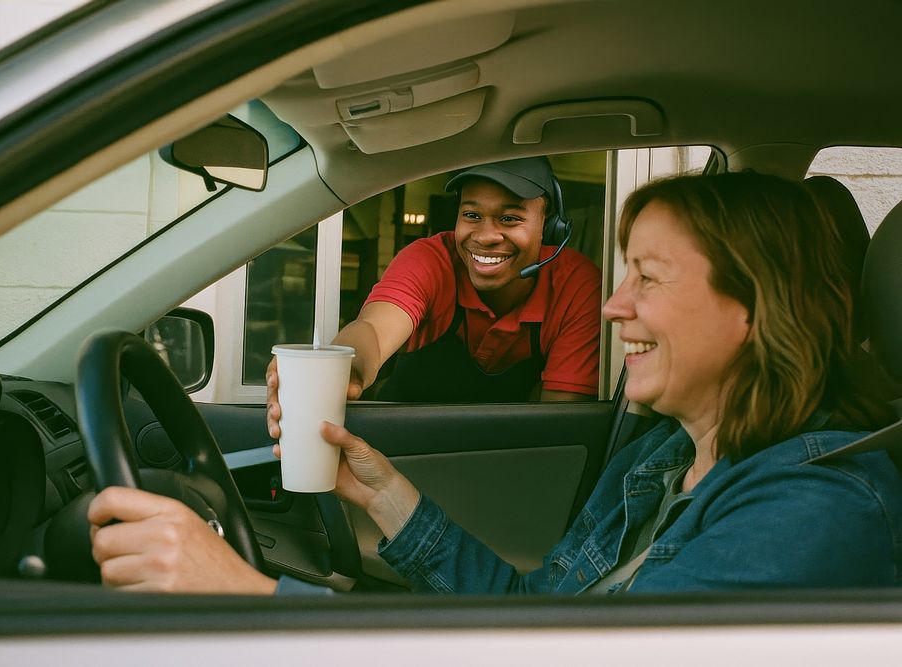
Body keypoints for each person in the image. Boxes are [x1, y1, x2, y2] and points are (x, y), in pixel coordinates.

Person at [88, 170, 902, 594]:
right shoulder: (658, 461)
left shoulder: (815, 507)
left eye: (648, 278)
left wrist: (249, 592)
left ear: (753, 310)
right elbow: (542, 611)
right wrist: (383, 494)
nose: (616, 305)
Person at [276, 157, 602, 403]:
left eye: (509, 218)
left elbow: (562, 424)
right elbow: (374, 330)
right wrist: (339, 371)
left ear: (549, 225)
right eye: (472, 215)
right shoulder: (429, 259)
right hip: (398, 454)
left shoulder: (576, 284)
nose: (486, 236)